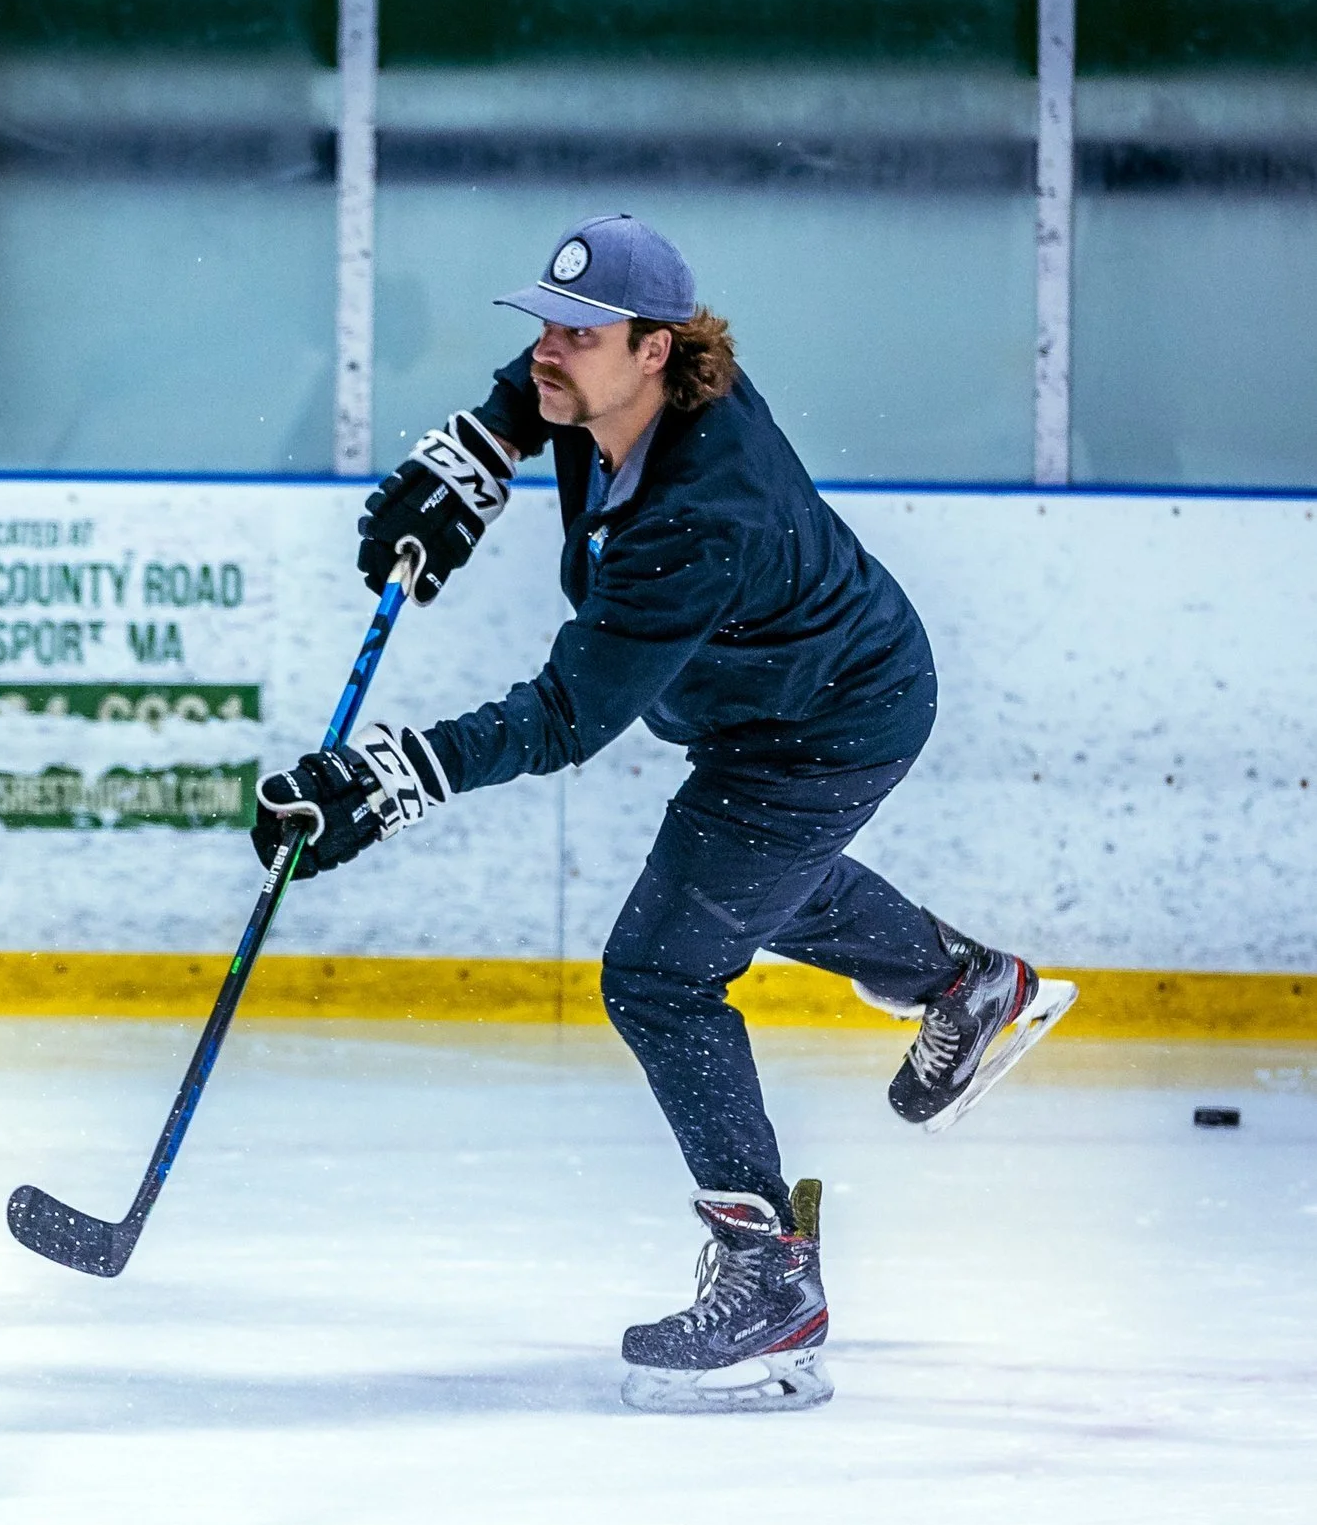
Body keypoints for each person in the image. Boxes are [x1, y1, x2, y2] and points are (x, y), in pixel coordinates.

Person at [252, 213, 1076, 1411]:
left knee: (659, 971)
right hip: (767, 701)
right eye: (545, 321)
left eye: (580, 333)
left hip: (834, 720)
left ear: (656, 350)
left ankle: (771, 1279)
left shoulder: (702, 513)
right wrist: (472, 459)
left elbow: (566, 718)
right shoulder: (606, 389)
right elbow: (535, 393)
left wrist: (392, 779)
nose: (550, 349)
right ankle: (962, 983)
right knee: (742, 889)